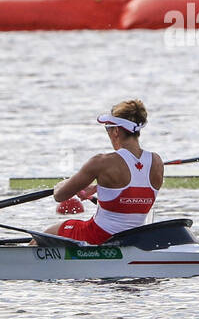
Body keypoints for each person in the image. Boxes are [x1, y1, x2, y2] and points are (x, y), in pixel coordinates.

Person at [47, 100, 164, 245]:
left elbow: (60, 196)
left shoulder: (101, 162)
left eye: (107, 128)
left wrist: (64, 184)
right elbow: (131, 192)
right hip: (135, 238)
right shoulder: (157, 162)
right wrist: (96, 188)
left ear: (116, 131)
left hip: (98, 235)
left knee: (45, 235)